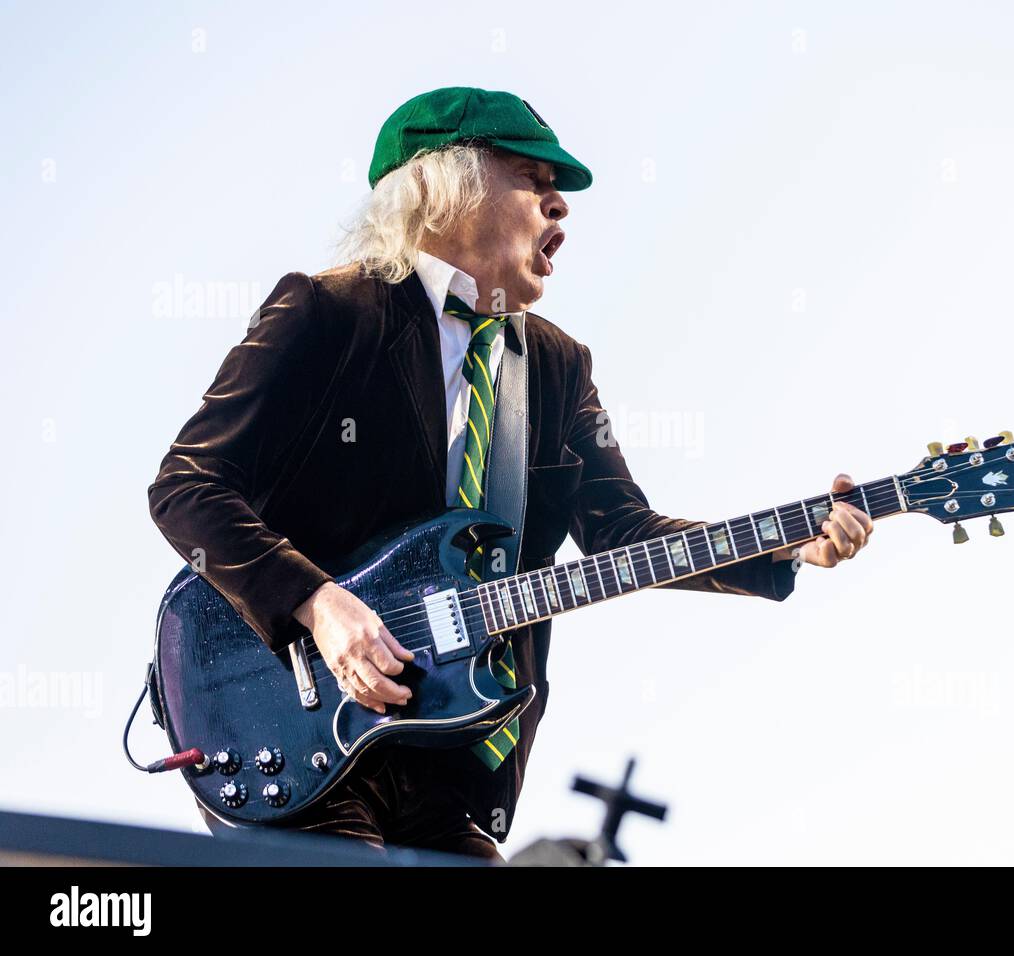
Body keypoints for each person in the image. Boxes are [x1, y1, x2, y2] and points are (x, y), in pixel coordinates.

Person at [147, 87, 872, 860]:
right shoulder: (329, 311)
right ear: (443, 184)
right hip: (282, 724)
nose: (559, 205)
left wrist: (791, 542)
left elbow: (622, 533)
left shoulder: (559, 367)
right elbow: (187, 487)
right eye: (532, 177)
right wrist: (320, 606)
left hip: (447, 762)